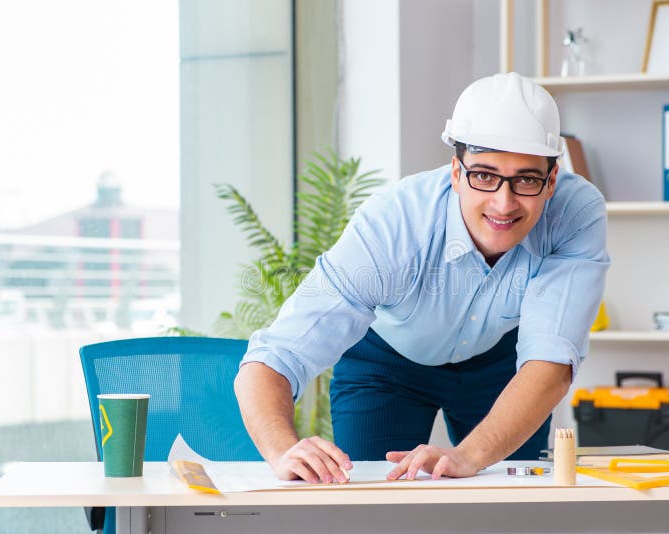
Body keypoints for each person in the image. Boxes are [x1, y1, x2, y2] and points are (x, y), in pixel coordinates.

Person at [235, 72, 609, 484]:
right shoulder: (393, 225)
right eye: (484, 175)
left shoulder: (575, 213)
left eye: (526, 180)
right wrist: (283, 449)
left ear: (552, 180)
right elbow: (276, 355)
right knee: (371, 503)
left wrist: (470, 455)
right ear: (455, 172)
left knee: (512, 500)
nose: (504, 203)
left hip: (502, 363)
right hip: (387, 362)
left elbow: (551, 362)